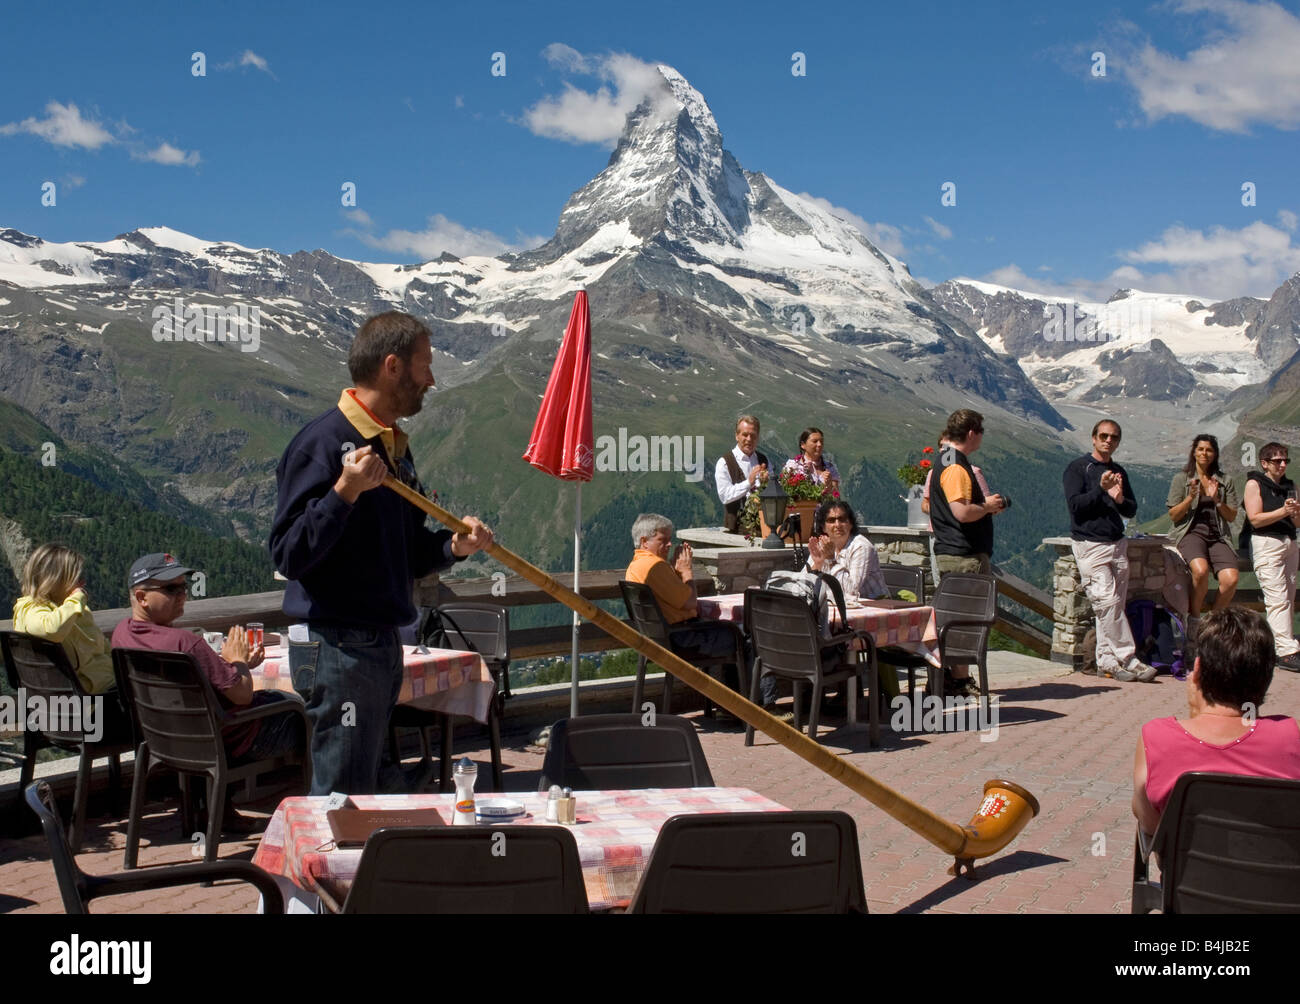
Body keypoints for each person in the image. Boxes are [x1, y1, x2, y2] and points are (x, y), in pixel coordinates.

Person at [269, 310, 494, 795]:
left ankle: (356, 869)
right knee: (342, 792)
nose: (432, 379)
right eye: (424, 365)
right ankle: (326, 872)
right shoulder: (321, 444)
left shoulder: (393, 448)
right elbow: (288, 555)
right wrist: (343, 492)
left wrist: (454, 546)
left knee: (363, 784)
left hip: (376, 642)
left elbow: (409, 554)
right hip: (337, 645)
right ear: (392, 366)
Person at [111, 552, 304, 832]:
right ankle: (313, 818)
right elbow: (243, 696)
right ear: (141, 597)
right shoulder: (186, 643)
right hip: (227, 743)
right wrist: (237, 661)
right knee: (306, 715)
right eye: (170, 589)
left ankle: (214, 814)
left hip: (165, 740)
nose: (182, 595)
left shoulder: (121, 635)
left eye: (183, 587)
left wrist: (235, 665)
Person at [1132, 607, 1300, 837]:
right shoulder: (1292, 736)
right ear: (1268, 675)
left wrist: (1196, 713)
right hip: (1278, 870)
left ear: (1197, 669)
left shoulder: (1156, 737)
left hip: (1189, 872)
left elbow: (1152, 826)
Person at [624, 513, 783, 716]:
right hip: (682, 638)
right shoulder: (654, 567)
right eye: (662, 540)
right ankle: (767, 705)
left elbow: (672, 597)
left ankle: (731, 705)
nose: (669, 544)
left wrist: (674, 571)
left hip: (660, 639)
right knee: (748, 635)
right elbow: (690, 602)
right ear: (645, 541)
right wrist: (688, 572)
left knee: (731, 632)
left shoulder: (636, 566)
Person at [1063, 419, 1156, 683]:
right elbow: (1076, 507)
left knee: (1111, 609)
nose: (1108, 441)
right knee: (1108, 603)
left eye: (1114, 437)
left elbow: (1131, 509)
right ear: (1093, 438)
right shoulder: (1078, 468)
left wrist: (1118, 498)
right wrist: (1099, 490)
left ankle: (1108, 662)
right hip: (1090, 546)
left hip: (1117, 544)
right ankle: (1129, 658)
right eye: (1103, 436)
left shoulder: (1118, 470)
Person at [12, 544, 115, 694]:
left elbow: (102, 646)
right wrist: (77, 598)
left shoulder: (70, 609)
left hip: (106, 686)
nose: (83, 582)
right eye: (77, 578)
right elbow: (52, 630)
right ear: (54, 579)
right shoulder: (29, 609)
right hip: (91, 698)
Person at [1165, 435, 1239, 633]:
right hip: (1190, 533)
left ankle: (1212, 623)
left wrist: (1216, 500)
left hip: (1218, 536)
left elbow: (1231, 516)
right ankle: (1195, 620)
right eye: (1201, 449)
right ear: (1194, 452)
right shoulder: (1182, 479)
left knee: (1230, 579)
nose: (1204, 453)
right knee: (1200, 571)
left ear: (1215, 454)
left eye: (1209, 450)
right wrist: (1190, 497)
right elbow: (1173, 514)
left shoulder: (1226, 481)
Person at [1242, 442, 1300, 671]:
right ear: (1265, 463)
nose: (1283, 464)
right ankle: (1286, 652)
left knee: (1288, 597)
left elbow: (1297, 522)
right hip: (1267, 543)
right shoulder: (1254, 484)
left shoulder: (1290, 485)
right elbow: (1255, 519)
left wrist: (1295, 513)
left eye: (1285, 460)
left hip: (1289, 543)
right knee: (1276, 599)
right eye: (1277, 461)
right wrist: (1283, 511)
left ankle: (1281, 646)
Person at [805, 499, 887, 601]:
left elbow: (851, 591)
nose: (837, 525)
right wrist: (817, 564)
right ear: (823, 527)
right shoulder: (821, 545)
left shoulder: (862, 547)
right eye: (831, 520)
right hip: (834, 604)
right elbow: (803, 586)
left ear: (851, 524)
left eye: (842, 519)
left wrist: (831, 561)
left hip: (873, 606)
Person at [715, 415, 769, 533]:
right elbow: (725, 496)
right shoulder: (725, 462)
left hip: (763, 527)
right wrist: (749, 482)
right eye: (745, 434)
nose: (749, 439)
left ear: (757, 438)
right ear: (737, 436)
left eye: (753, 435)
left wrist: (767, 483)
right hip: (736, 530)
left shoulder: (764, 459)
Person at [782, 427, 839, 495]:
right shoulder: (794, 466)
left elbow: (836, 497)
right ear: (803, 445)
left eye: (821, 441)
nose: (819, 444)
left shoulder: (829, 468)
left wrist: (829, 484)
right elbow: (785, 492)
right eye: (815, 441)